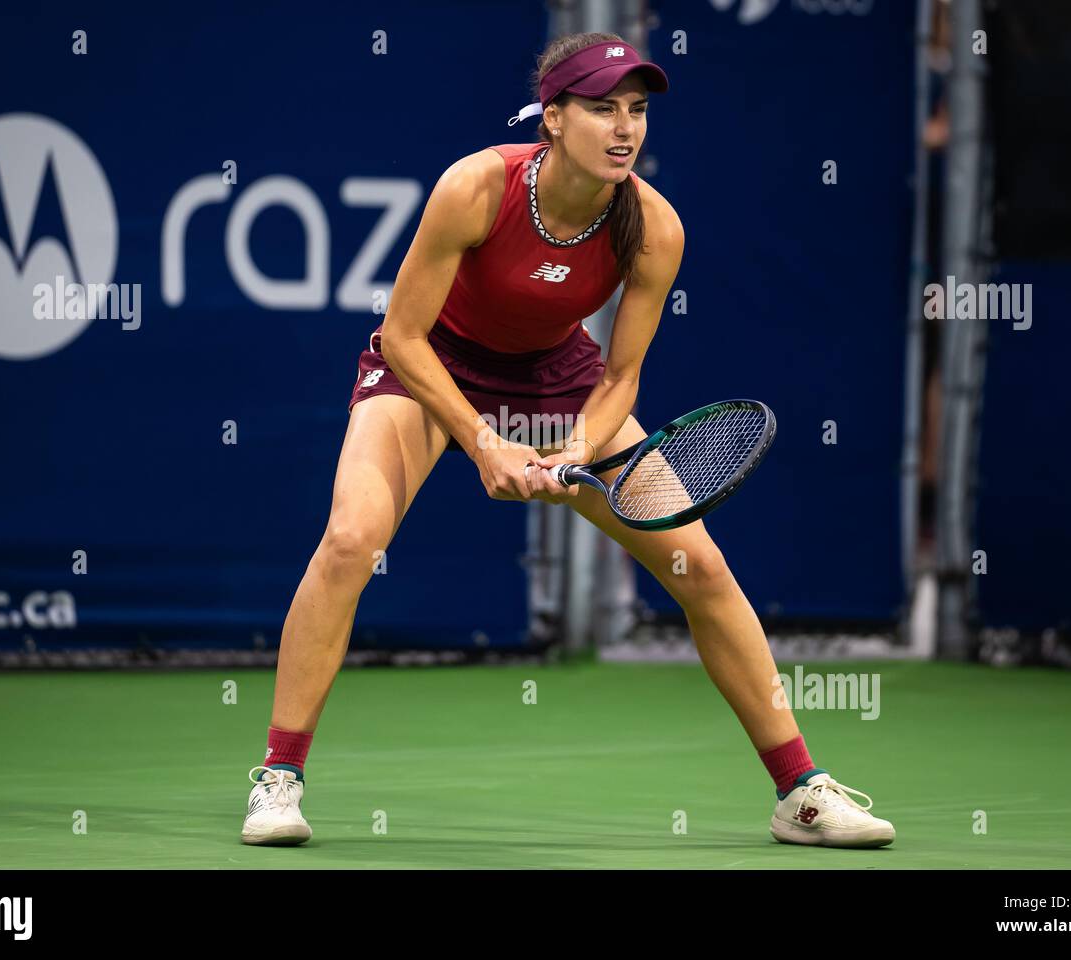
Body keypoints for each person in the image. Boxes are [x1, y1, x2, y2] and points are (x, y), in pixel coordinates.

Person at [241, 32, 895, 851]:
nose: (624, 128)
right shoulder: (477, 186)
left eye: (637, 110)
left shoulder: (654, 227)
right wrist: (484, 443)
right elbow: (403, 336)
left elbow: (620, 377)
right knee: (349, 540)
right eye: (601, 109)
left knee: (703, 566)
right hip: (429, 366)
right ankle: (279, 777)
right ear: (552, 117)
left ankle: (801, 791)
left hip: (557, 380)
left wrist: (571, 452)